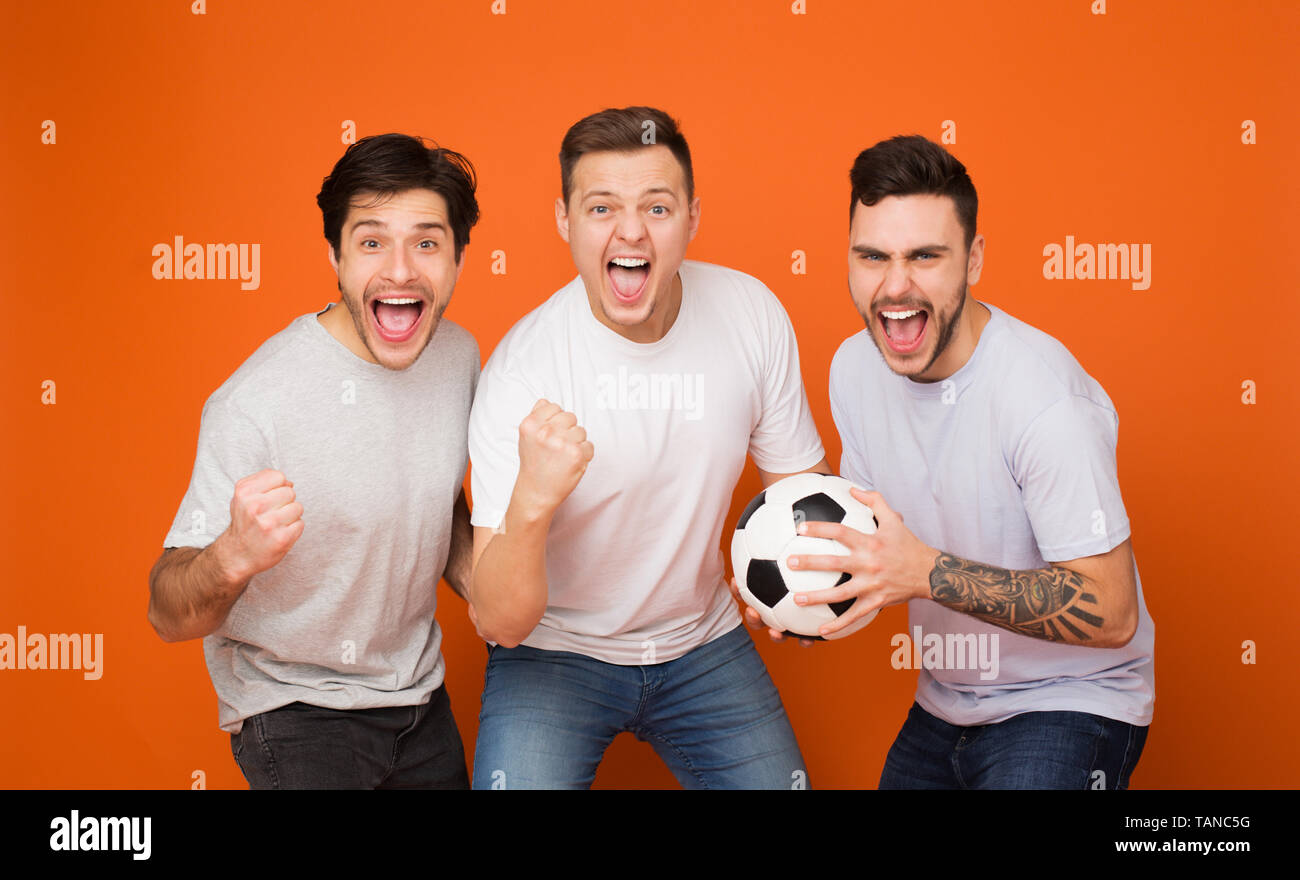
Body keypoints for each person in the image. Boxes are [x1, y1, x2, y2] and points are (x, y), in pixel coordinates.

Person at [768, 134, 1155, 789]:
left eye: (925, 256)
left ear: (973, 258)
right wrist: (803, 598)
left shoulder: (1040, 396)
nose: (894, 286)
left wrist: (927, 574)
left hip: (1071, 702)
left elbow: (1112, 611)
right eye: (872, 256)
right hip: (945, 704)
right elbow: (878, 549)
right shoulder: (853, 369)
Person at [465, 106, 829, 789]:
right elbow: (501, 622)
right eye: (601, 207)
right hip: (556, 651)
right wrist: (532, 502)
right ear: (564, 222)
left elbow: (803, 499)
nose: (630, 230)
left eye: (656, 208)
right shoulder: (522, 371)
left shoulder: (751, 314)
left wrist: (809, 589)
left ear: (691, 219)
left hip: (704, 641)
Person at [148, 133, 482, 789]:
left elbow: (440, 504)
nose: (400, 270)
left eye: (426, 242)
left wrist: (507, 585)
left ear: (459, 257)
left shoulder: (458, 357)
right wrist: (232, 555)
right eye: (370, 242)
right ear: (333, 253)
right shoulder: (254, 404)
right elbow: (166, 611)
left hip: (418, 699)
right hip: (294, 707)